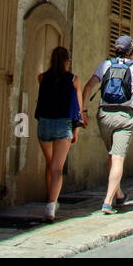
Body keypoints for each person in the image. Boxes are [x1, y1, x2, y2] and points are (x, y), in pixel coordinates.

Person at [82, 35, 133, 214]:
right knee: (118, 158)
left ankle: (119, 194)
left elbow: (88, 87)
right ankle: (107, 201)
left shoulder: (105, 65)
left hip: (104, 115)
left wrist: (84, 111)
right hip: (124, 117)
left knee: (112, 155)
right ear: (131, 50)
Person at [35, 46, 85, 222]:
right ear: (67, 60)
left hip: (44, 124)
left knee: (50, 164)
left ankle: (51, 200)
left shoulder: (42, 78)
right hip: (63, 125)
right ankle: (51, 206)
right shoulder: (74, 80)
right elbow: (78, 108)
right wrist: (76, 130)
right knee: (57, 169)